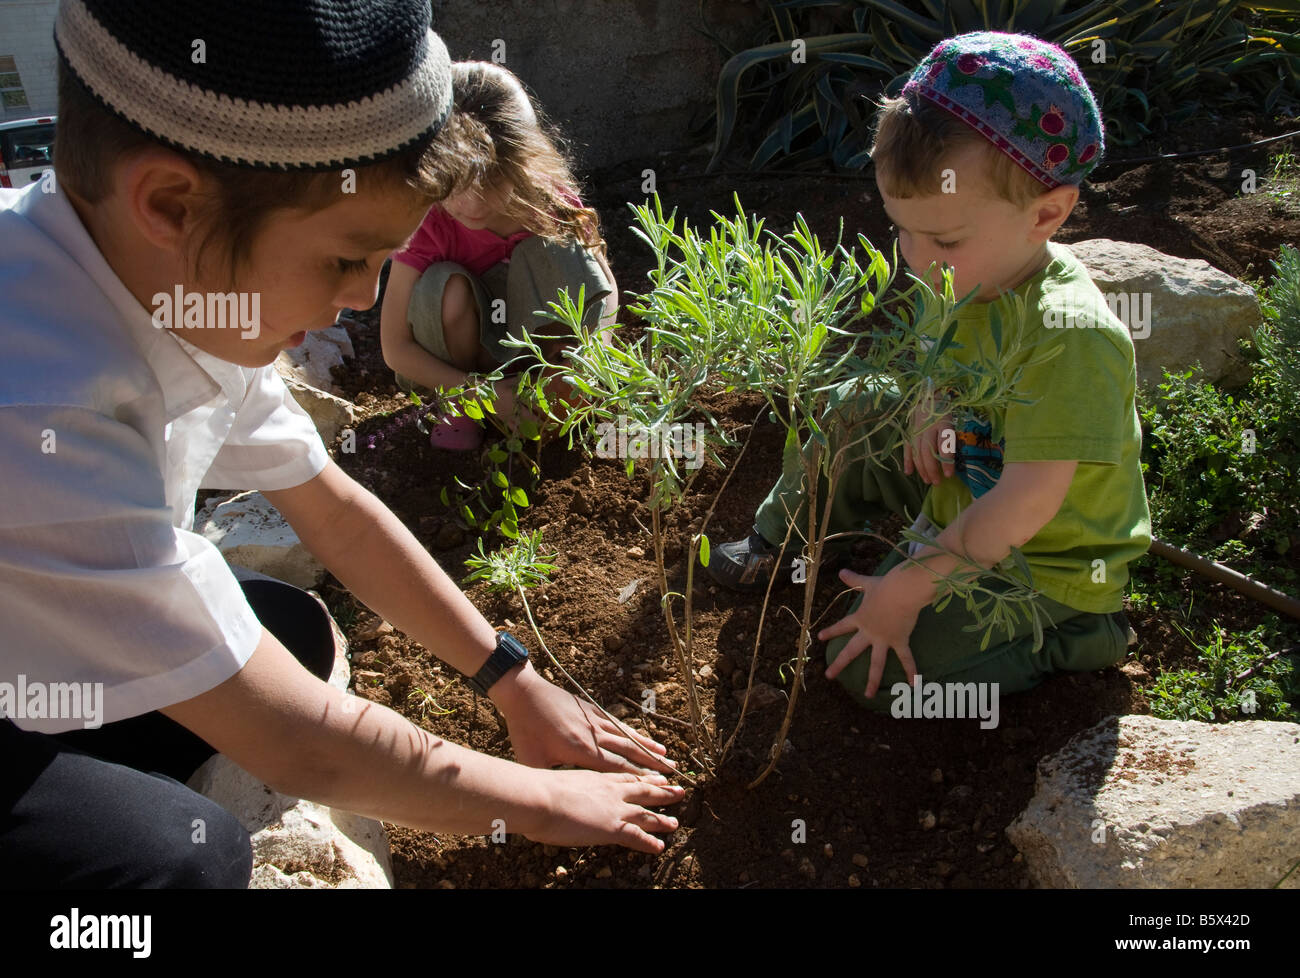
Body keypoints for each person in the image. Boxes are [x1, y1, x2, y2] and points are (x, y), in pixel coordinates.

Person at [0, 0, 679, 889]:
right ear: (169, 201)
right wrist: (543, 804)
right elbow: (297, 748)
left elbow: (337, 515)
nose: (364, 299)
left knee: (285, 631)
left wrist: (510, 680)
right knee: (176, 860)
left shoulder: (178, 291)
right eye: (342, 261)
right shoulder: (43, 400)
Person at [706, 31, 1151, 711]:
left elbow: (1025, 506)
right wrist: (928, 402)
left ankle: (1080, 637)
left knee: (870, 674)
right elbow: (932, 358)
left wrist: (911, 586)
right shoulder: (959, 274)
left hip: (1039, 563)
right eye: (900, 229)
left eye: (943, 238)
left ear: (1048, 213)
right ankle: (782, 538)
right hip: (963, 484)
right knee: (852, 402)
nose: (916, 257)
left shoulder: (1072, 335)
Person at [380, 60, 616, 451]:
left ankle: (554, 397)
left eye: (490, 179)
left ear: (522, 162)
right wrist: (482, 394)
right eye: (454, 180)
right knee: (444, 286)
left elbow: (603, 289)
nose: (470, 203)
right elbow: (394, 347)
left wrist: (592, 359)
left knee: (554, 247)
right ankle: (462, 408)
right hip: (466, 370)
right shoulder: (429, 220)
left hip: (534, 359)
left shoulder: (548, 204)